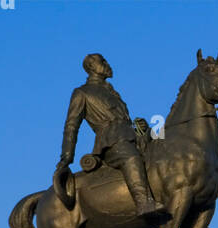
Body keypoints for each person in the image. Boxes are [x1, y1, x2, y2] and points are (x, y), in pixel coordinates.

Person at [56, 53, 162, 217]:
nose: (107, 64)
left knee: (163, 143)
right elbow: (71, 126)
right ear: (91, 67)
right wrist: (66, 157)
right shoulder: (82, 93)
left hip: (130, 133)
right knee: (131, 158)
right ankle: (144, 203)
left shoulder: (111, 91)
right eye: (102, 61)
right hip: (111, 141)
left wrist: (141, 127)